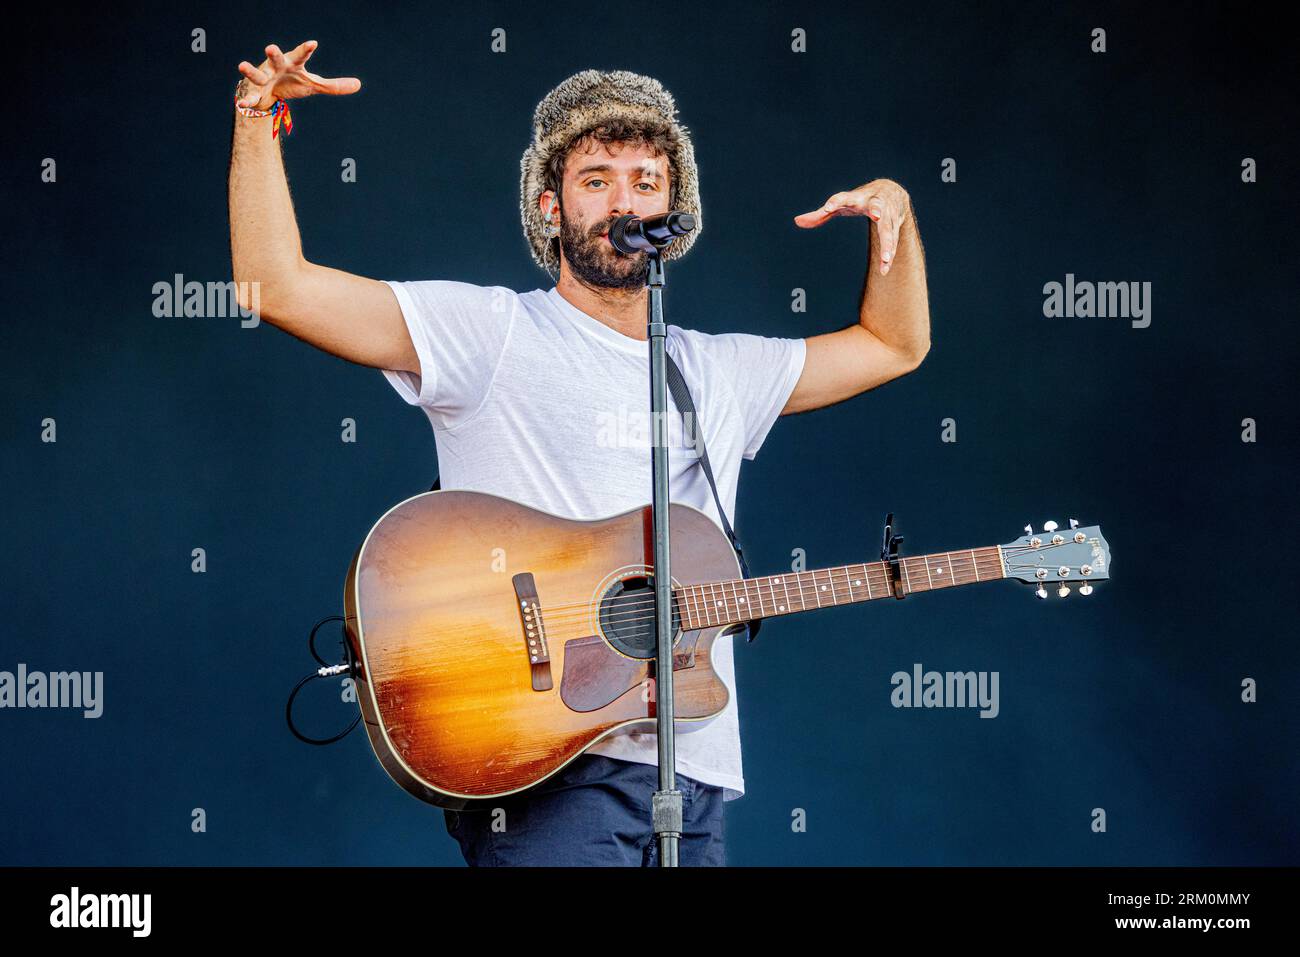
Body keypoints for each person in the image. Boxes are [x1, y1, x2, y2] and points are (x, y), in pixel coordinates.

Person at [228, 40, 931, 866]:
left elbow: (895, 343)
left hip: (692, 762)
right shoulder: (492, 332)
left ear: (679, 208)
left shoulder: (719, 369)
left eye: (647, 181)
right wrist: (257, 120)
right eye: (597, 179)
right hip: (539, 752)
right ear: (551, 205)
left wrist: (899, 217)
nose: (623, 200)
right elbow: (272, 287)